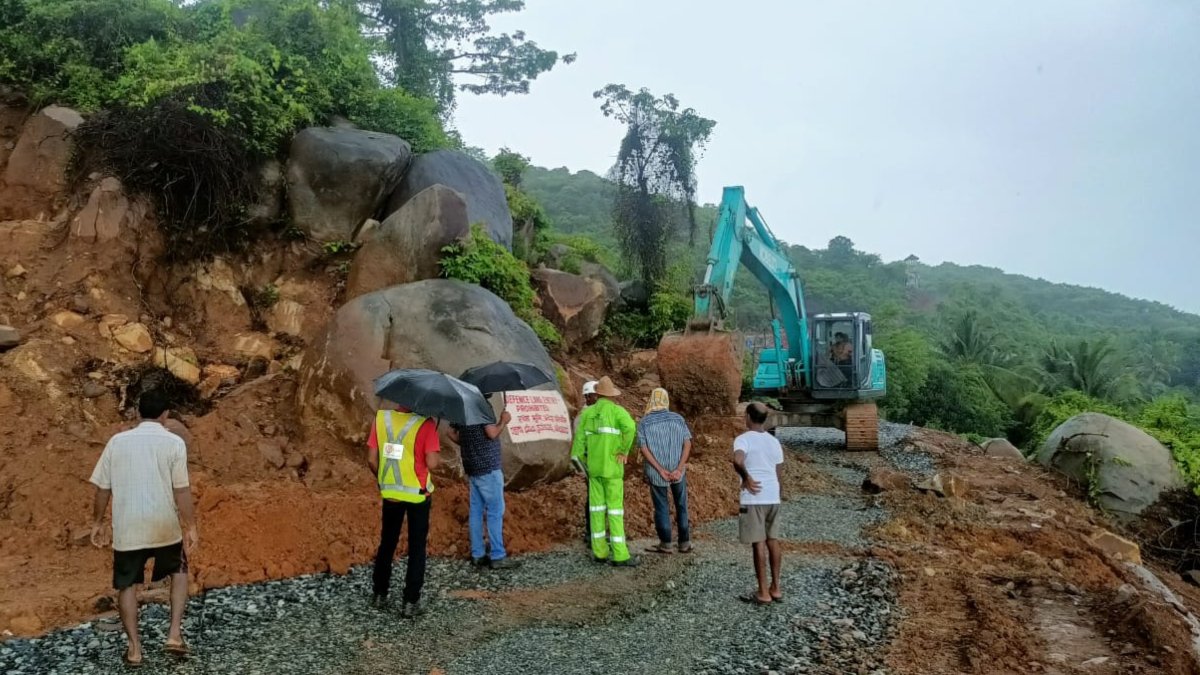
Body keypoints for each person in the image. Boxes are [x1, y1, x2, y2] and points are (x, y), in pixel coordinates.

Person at [88, 390, 197, 667]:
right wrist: (191, 526)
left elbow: (103, 488)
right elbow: (181, 490)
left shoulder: (117, 442)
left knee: (127, 584)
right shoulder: (174, 443)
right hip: (164, 525)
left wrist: (97, 522)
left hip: (128, 528)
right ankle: (174, 635)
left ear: (137, 413)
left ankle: (135, 650)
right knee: (179, 571)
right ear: (166, 415)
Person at [367, 402, 441, 618]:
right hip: (418, 495)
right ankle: (410, 602)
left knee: (387, 543)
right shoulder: (426, 424)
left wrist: (384, 481)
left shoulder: (381, 419)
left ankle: (379, 594)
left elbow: (371, 459)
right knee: (417, 547)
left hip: (390, 493)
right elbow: (432, 463)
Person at [570, 376, 638, 566]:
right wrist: (623, 451)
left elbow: (577, 447)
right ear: (612, 395)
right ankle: (620, 555)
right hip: (613, 470)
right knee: (615, 511)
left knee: (596, 510)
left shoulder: (587, 414)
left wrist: (584, 464)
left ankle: (599, 552)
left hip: (594, 470)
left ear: (597, 394)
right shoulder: (618, 411)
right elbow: (631, 428)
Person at [447, 405, 519, 570]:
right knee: (495, 512)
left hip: (473, 469)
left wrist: (469, 444)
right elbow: (492, 433)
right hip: (488, 468)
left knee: (476, 512)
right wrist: (503, 421)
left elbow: (450, 433)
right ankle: (497, 555)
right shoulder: (482, 406)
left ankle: (477, 554)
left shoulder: (462, 408)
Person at [732, 402, 785, 605]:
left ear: (747, 416)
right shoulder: (774, 442)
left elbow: (737, 460)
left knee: (758, 542)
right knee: (773, 540)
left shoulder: (743, 439)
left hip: (754, 498)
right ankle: (776, 588)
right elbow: (778, 473)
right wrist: (776, 492)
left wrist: (746, 478)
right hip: (773, 496)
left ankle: (763, 592)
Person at [637, 388, 693, 554]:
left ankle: (666, 544)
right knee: (681, 505)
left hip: (656, 473)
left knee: (661, 506)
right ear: (666, 400)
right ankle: (684, 543)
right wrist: (679, 468)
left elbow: (643, 448)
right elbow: (687, 443)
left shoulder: (644, 423)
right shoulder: (678, 419)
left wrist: (660, 470)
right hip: (678, 472)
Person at [574, 381, 599, 545]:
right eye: (597, 395)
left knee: (597, 499)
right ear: (589, 396)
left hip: (598, 463)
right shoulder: (583, 417)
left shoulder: (594, 414)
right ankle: (591, 533)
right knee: (594, 499)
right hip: (591, 463)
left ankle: (595, 532)